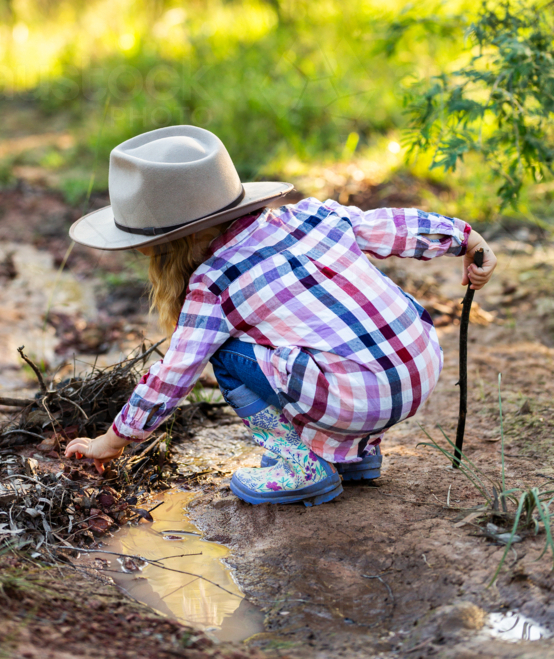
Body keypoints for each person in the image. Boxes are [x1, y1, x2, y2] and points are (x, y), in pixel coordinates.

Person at [64, 125, 496, 506]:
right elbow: (390, 225)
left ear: (165, 244)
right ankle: (357, 455)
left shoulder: (213, 284)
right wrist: (465, 237)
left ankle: (300, 466)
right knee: (328, 332)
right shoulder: (310, 215)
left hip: (359, 399)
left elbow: (174, 373)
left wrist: (114, 440)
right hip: (420, 366)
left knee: (227, 353)